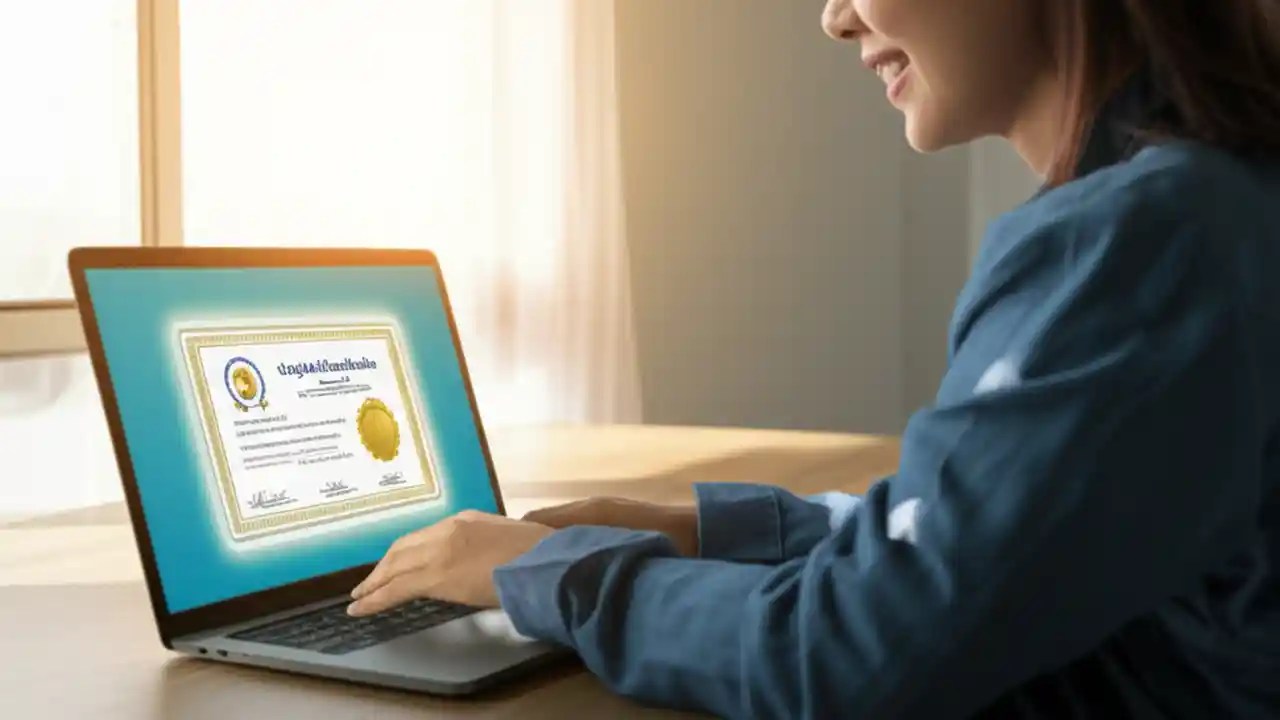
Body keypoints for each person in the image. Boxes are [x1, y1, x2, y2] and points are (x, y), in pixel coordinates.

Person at [348, 0, 1280, 716]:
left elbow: (843, 655)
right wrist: (690, 532)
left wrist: (554, 576)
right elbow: (981, 545)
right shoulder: (1215, 199)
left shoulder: (1135, 245)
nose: (834, 17)